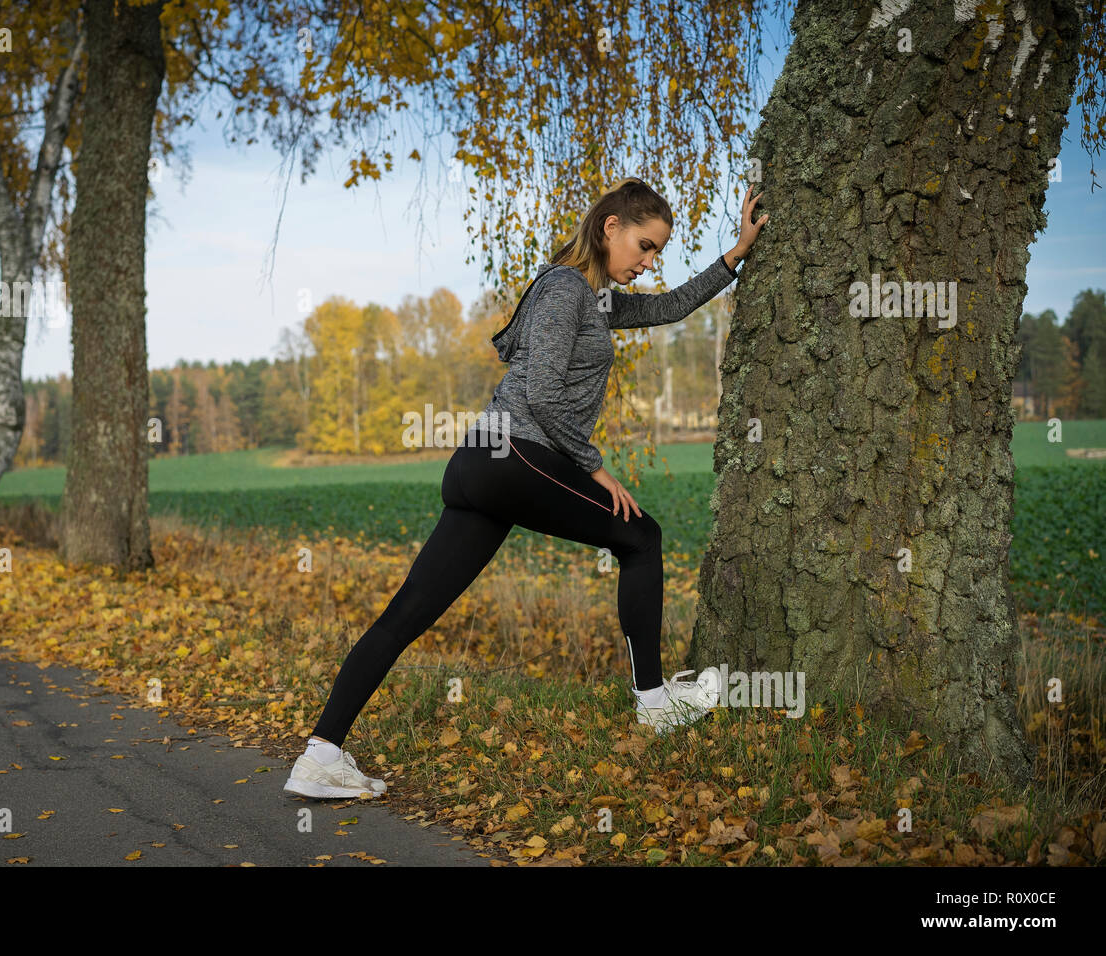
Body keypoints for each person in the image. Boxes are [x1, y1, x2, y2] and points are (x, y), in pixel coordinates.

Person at [284, 177, 769, 799]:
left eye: (657, 253)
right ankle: (653, 701)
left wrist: (736, 254)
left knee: (409, 612)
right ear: (609, 229)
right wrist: (594, 466)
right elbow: (539, 393)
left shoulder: (591, 299)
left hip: (483, 467)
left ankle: (320, 754)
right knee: (641, 536)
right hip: (514, 453)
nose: (649, 262)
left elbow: (666, 307)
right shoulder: (566, 289)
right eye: (645, 246)